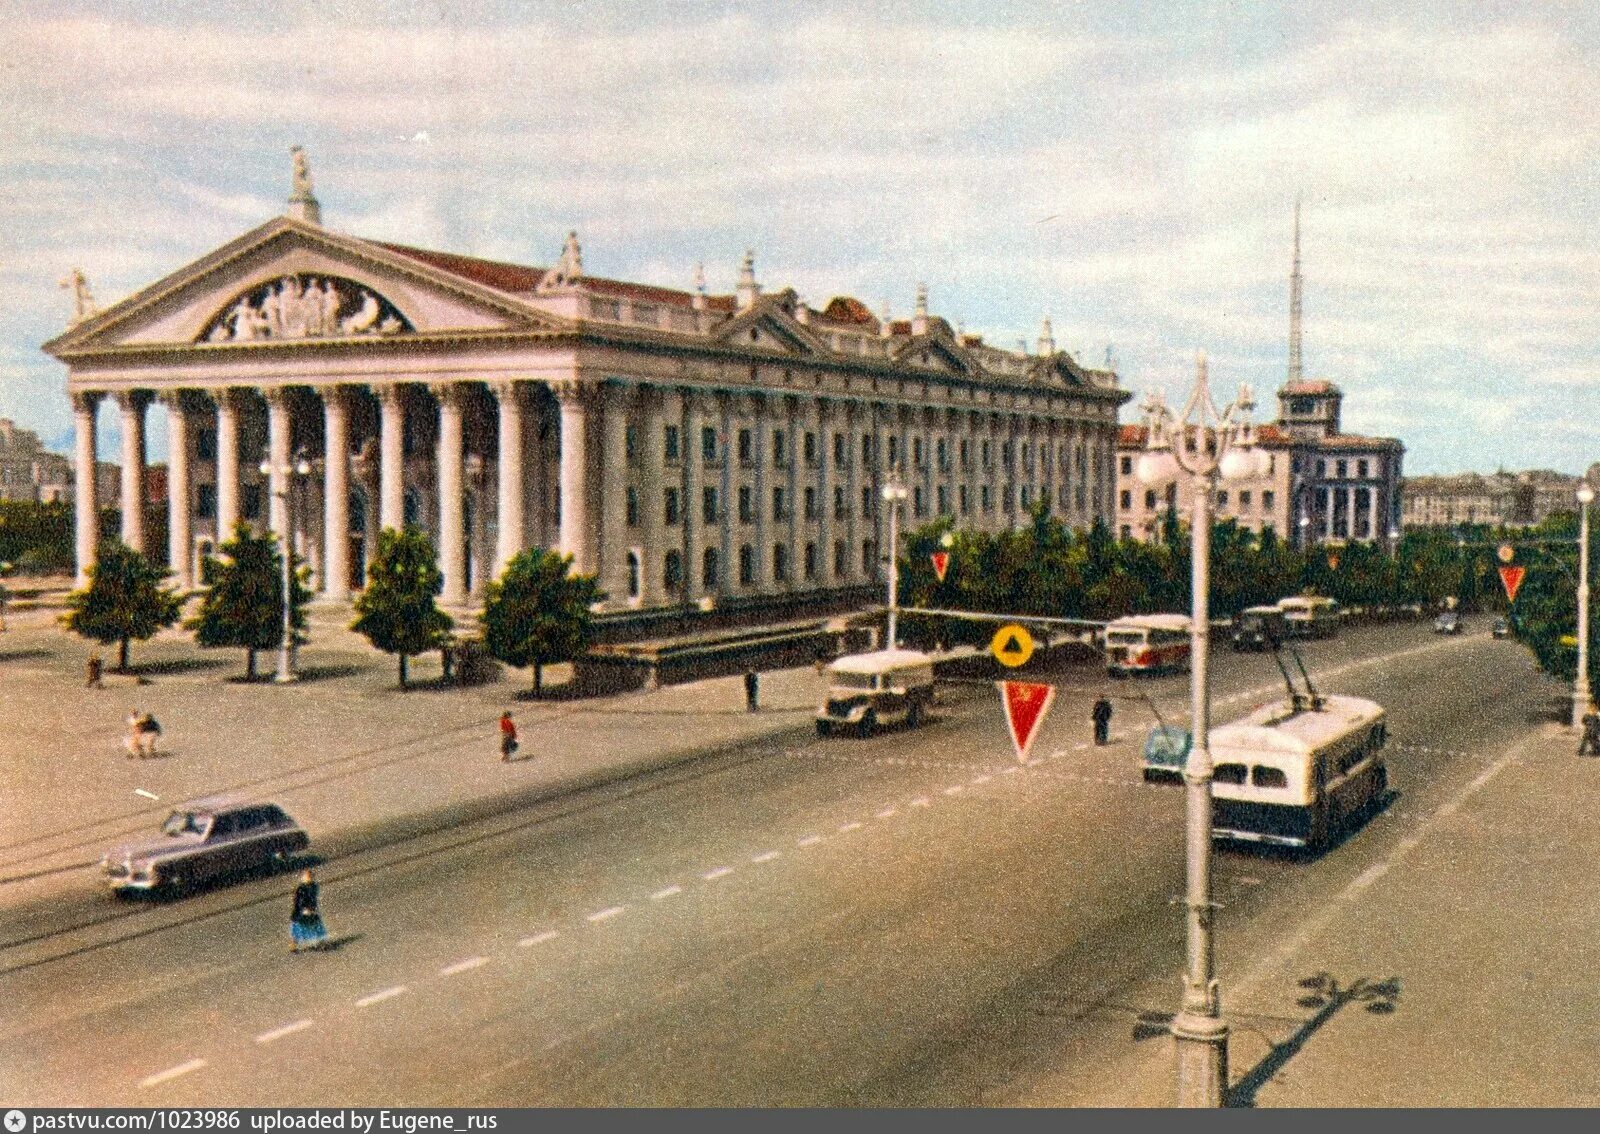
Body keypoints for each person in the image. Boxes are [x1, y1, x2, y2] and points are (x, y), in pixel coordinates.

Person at [290, 868, 329, 953]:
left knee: (317, 926)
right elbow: (298, 901)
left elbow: (314, 898)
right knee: (299, 928)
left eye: (310, 876)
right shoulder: (301, 888)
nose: (309, 878)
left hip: (311, 909)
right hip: (302, 911)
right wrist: (303, 909)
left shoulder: (314, 886)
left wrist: (312, 907)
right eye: (307, 876)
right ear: (303, 877)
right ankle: (293, 945)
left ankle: (321, 943)